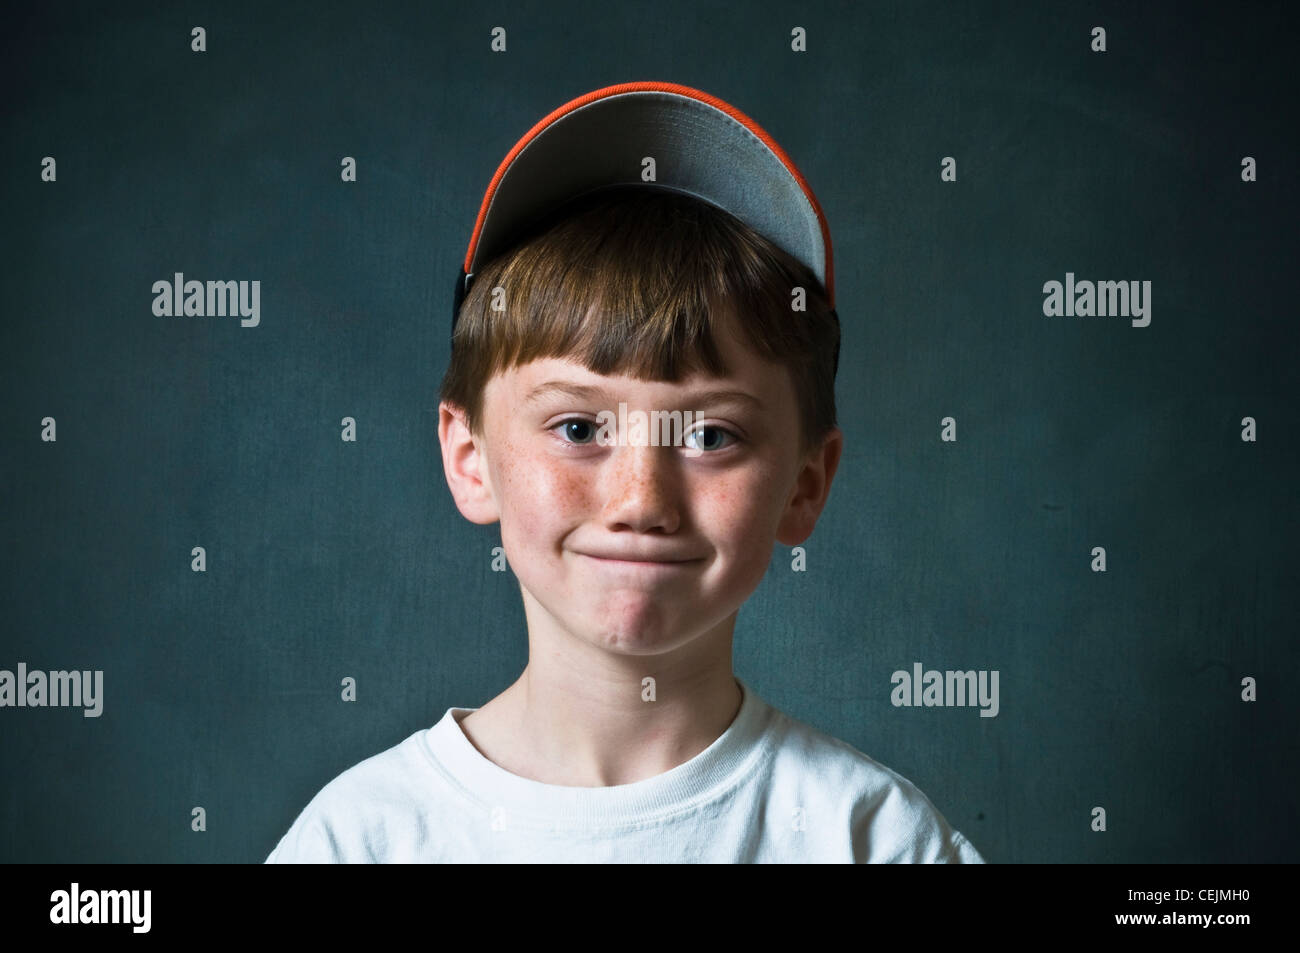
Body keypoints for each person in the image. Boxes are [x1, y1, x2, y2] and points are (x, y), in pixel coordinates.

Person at [266, 81, 985, 863]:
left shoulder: (875, 838)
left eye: (710, 434)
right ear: (471, 459)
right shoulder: (359, 839)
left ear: (806, 484)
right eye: (578, 428)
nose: (641, 501)